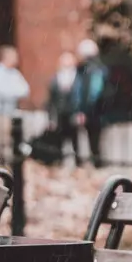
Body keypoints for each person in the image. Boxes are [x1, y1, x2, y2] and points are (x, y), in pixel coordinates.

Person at [0, 44, 29, 164]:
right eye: (14, 56)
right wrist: (12, 92)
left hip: (9, 113)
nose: (17, 59)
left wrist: (10, 92)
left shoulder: (15, 74)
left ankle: (7, 167)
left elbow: (25, 90)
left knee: (8, 142)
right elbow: (0, 91)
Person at [71, 38, 108, 166]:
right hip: (95, 112)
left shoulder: (91, 70)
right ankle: (96, 162)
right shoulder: (96, 68)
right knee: (94, 140)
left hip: (93, 112)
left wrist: (83, 111)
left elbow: (92, 93)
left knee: (94, 140)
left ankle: (97, 163)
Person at [46, 51, 80, 163]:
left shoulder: (79, 77)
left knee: (76, 140)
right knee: (59, 140)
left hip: (73, 112)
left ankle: (78, 162)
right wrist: (51, 118)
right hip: (60, 113)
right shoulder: (55, 78)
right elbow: (51, 100)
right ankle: (59, 161)